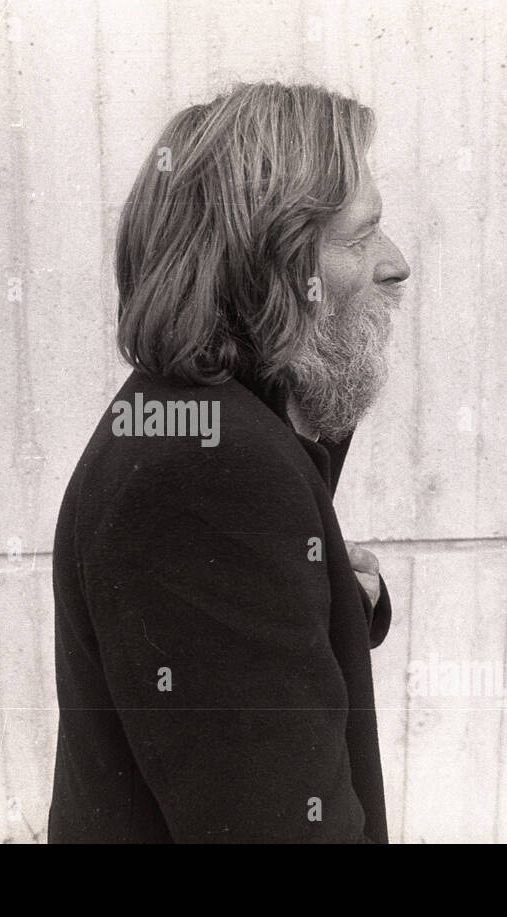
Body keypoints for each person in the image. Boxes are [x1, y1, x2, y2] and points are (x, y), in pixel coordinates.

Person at [47, 81, 411, 843]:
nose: (396, 263)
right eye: (361, 236)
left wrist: (325, 591)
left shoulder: (196, 425)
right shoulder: (207, 474)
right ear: (270, 262)